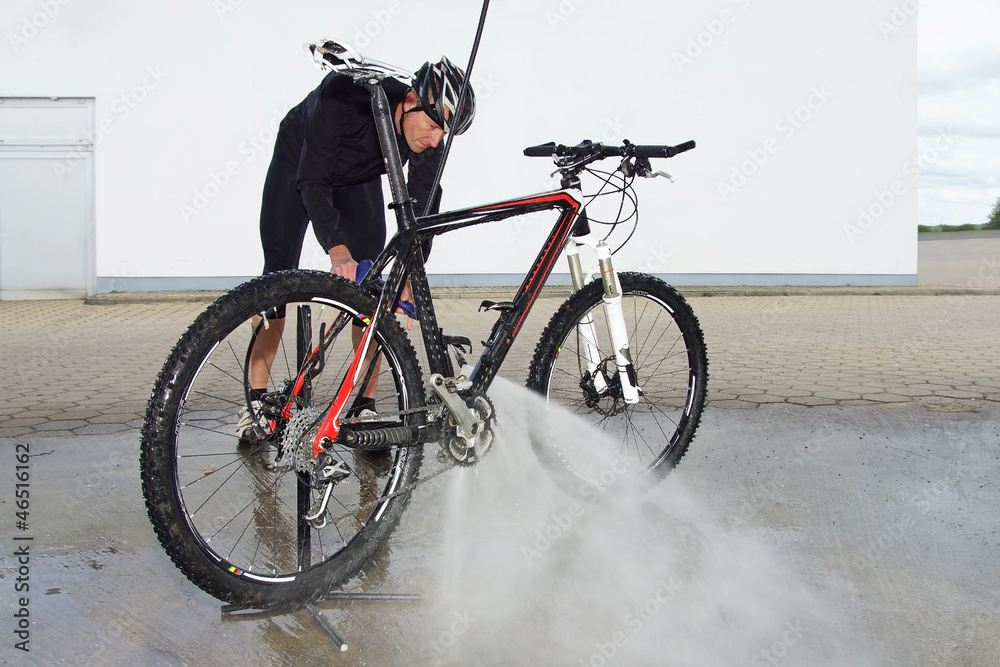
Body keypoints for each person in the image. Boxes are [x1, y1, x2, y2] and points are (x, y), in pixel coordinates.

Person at [237, 56, 476, 441]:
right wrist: (337, 251)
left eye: (443, 134)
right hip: (301, 161)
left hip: (356, 177)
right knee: (275, 280)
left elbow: (422, 209)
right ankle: (255, 402)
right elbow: (313, 182)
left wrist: (409, 275)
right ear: (411, 99)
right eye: (432, 125)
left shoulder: (430, 140)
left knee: (372, 288)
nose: (434, 140)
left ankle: (364, 406)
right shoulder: (343, 97)